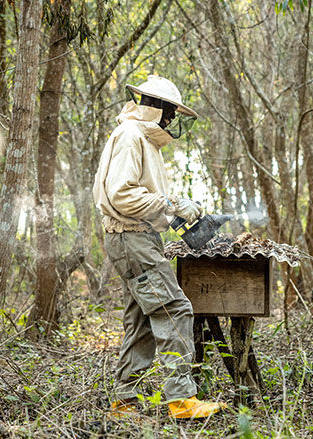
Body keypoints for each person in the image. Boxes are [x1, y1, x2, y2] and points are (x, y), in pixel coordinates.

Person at [92, 75, 227, 419]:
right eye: (169, 112)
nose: (171, 121)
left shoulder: (144, 141)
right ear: (157, 109)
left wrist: (175, 211)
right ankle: (182, 402)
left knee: (141, 321)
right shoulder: (130, 136)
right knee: (174, 309)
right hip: (130, 237)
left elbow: (144, 197)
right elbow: (121, 194)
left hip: (137, 237)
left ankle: (123, 402)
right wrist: (171, 204)